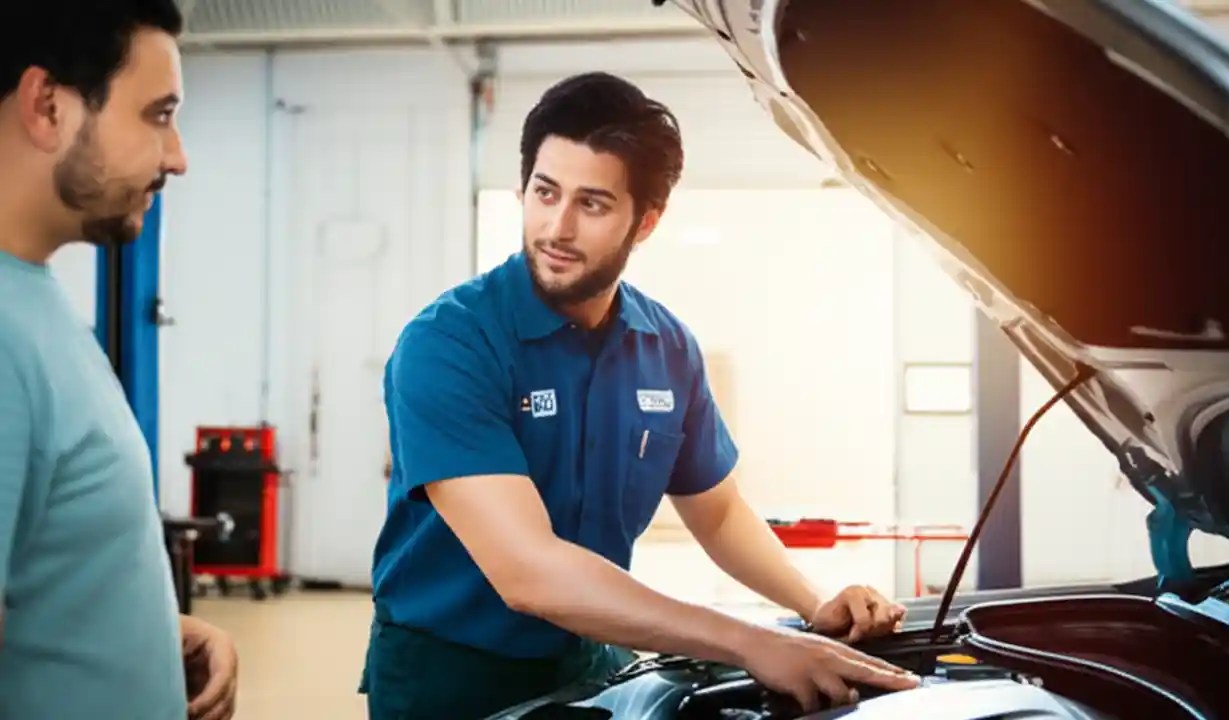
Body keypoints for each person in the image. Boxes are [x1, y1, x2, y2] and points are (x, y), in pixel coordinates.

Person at [360, 71, 921, 719]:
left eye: (592, 204)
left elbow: (716, 512)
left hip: (592, 652)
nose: (557, 227)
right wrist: (749, 642)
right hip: (448, 674)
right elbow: (527, 572)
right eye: (545, 193)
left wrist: (812, 603)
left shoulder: (666, 347)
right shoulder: (450, 344)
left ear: (645, 221)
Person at [0, 2, 238, 719]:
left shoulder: (37, 306)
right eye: (158, 114)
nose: (178, 155)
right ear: (47, 106)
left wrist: (143, 634)